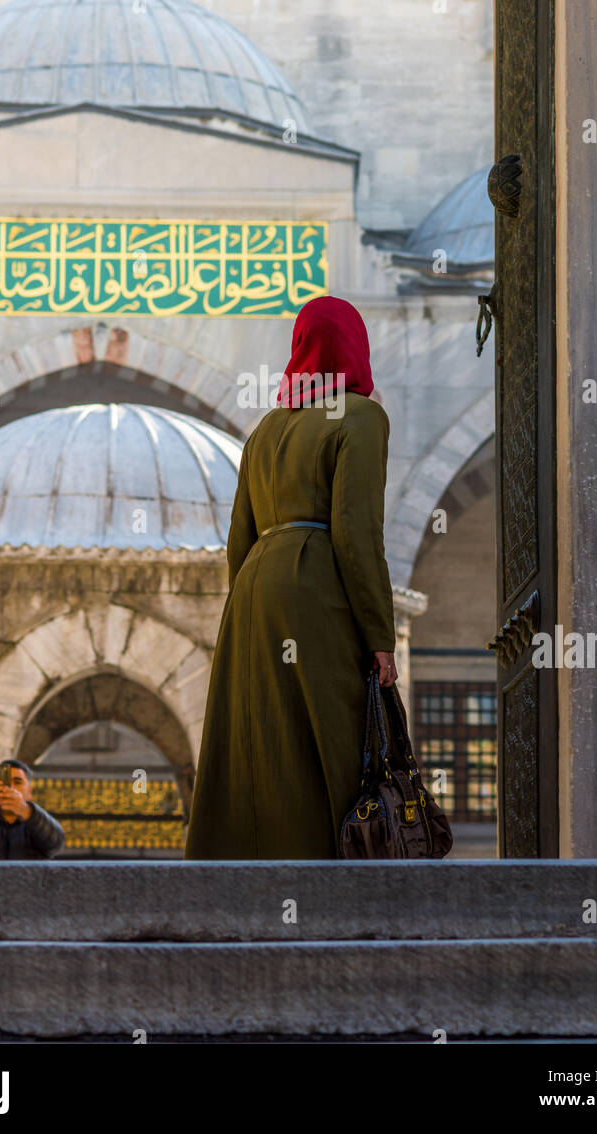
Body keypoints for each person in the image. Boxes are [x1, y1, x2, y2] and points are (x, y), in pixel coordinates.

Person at [184, 294, 398, 860]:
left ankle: (241, 870)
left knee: (259, 738)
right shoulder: (361, 416)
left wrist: (248, 606)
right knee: (329, 735)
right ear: (355, 347)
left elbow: (238, 540)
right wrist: (380, 637)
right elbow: (357, 533)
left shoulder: (266, 429)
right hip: (317, 587)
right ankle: (327, 869)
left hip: (254, 589)